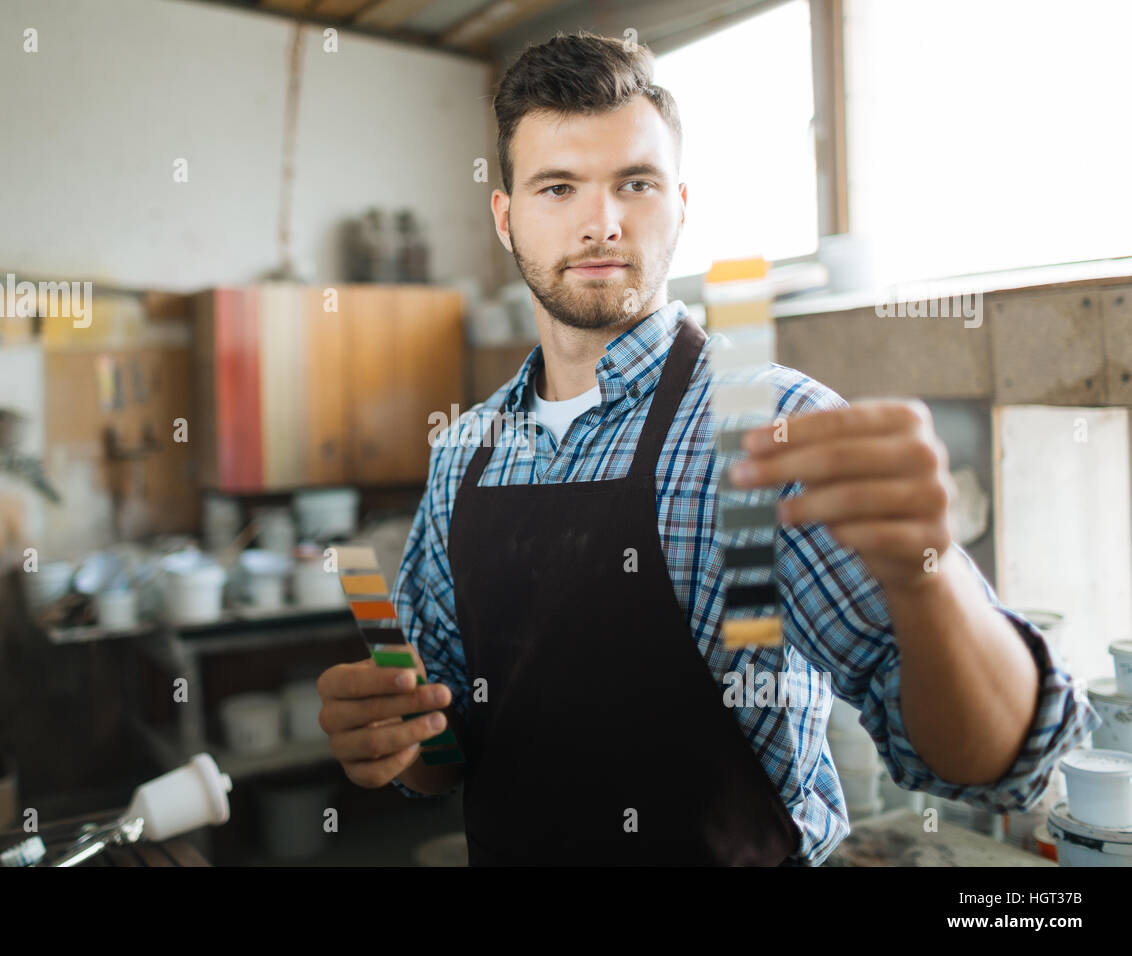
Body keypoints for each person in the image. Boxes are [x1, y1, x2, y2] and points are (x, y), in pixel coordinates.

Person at [316, 31, 1097, 866]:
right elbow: (443, 754)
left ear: (680, 202)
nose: (602, 221)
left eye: (636, 183)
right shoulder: (463, 453)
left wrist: (931, 577)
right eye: (558, 187)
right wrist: (390, 743)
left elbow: (993, 768)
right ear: (506, 218)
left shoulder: (769, 425)